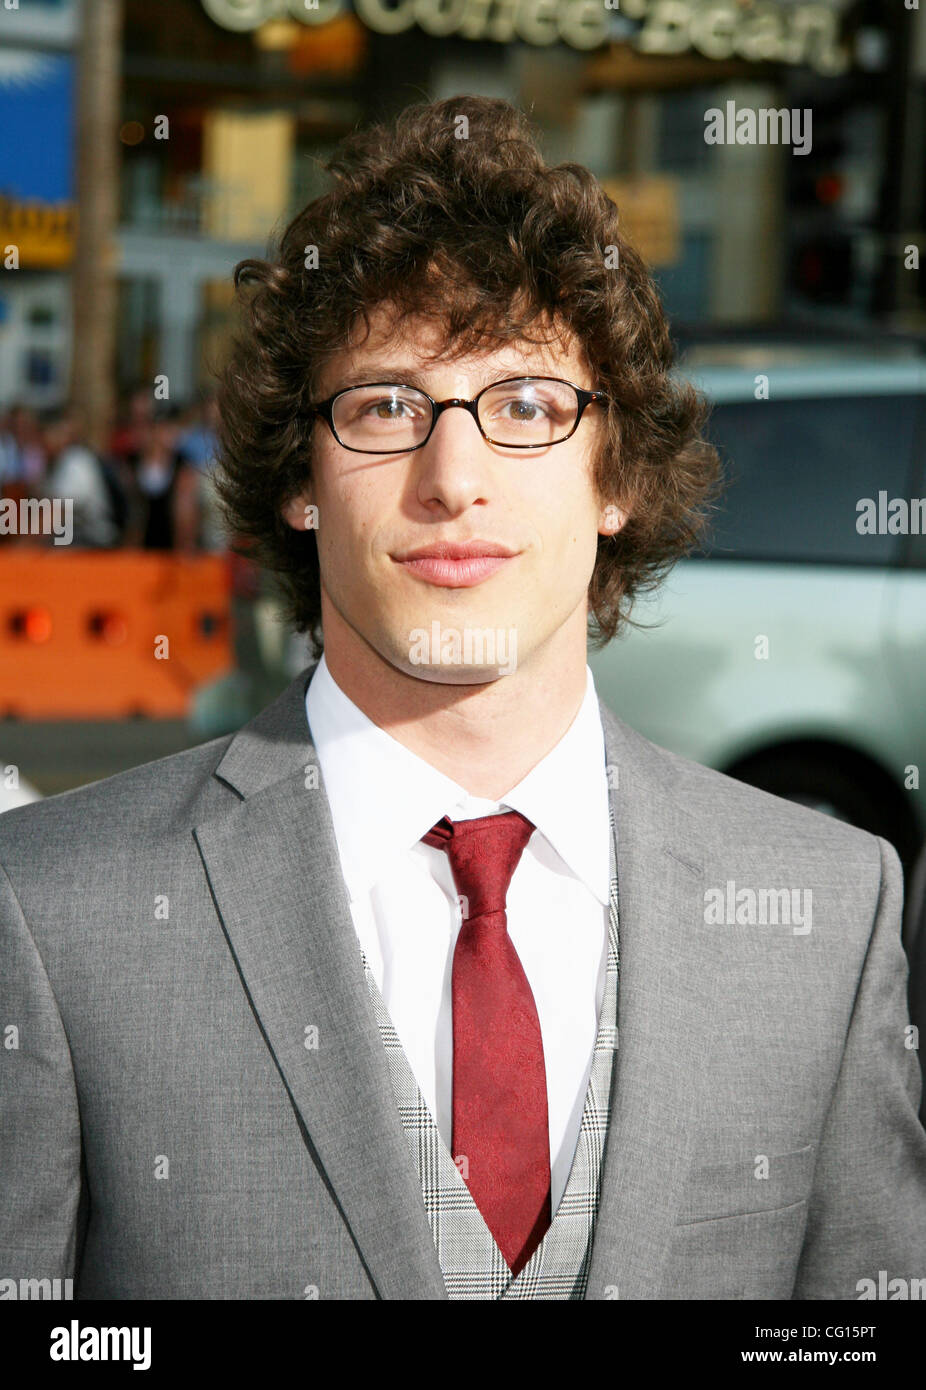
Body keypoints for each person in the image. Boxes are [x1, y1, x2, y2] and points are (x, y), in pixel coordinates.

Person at [0, 96, 923, 1302]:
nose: (453, 478)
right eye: (386, 406)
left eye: (526, 407)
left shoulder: (829, 912)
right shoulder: (55, 910)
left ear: (615, 480)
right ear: (300, 480)